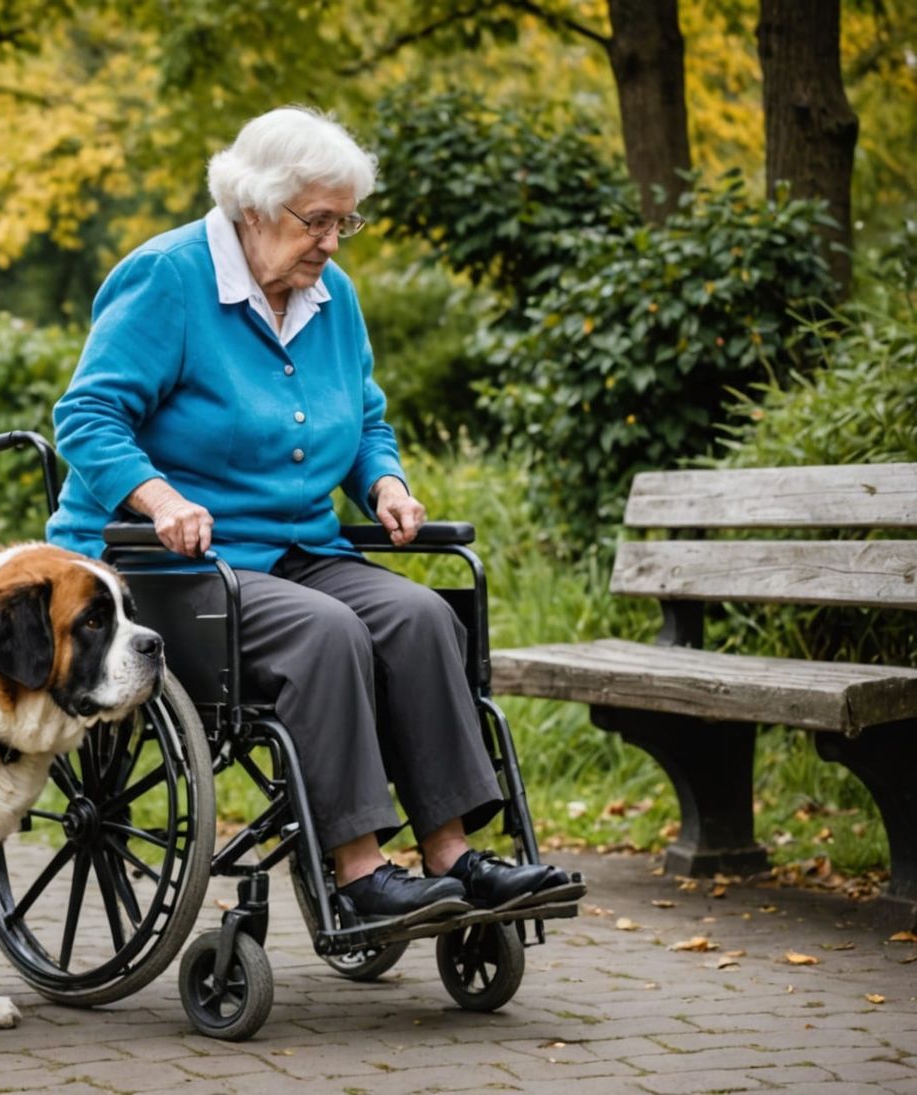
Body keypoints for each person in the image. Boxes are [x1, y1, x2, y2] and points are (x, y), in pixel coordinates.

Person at [46, 106, 577, 921]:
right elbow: (86, 417)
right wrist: (160, 498)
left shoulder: (333, 297)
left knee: (423, 615)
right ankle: (361, 873)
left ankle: (454, 856)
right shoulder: (170, 278)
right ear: (253, 206)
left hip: (296, 547)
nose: (331, 242)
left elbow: (365, 419)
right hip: (173, 564)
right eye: (317, 220)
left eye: (344, 222)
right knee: (326, 632)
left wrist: (387, 484)